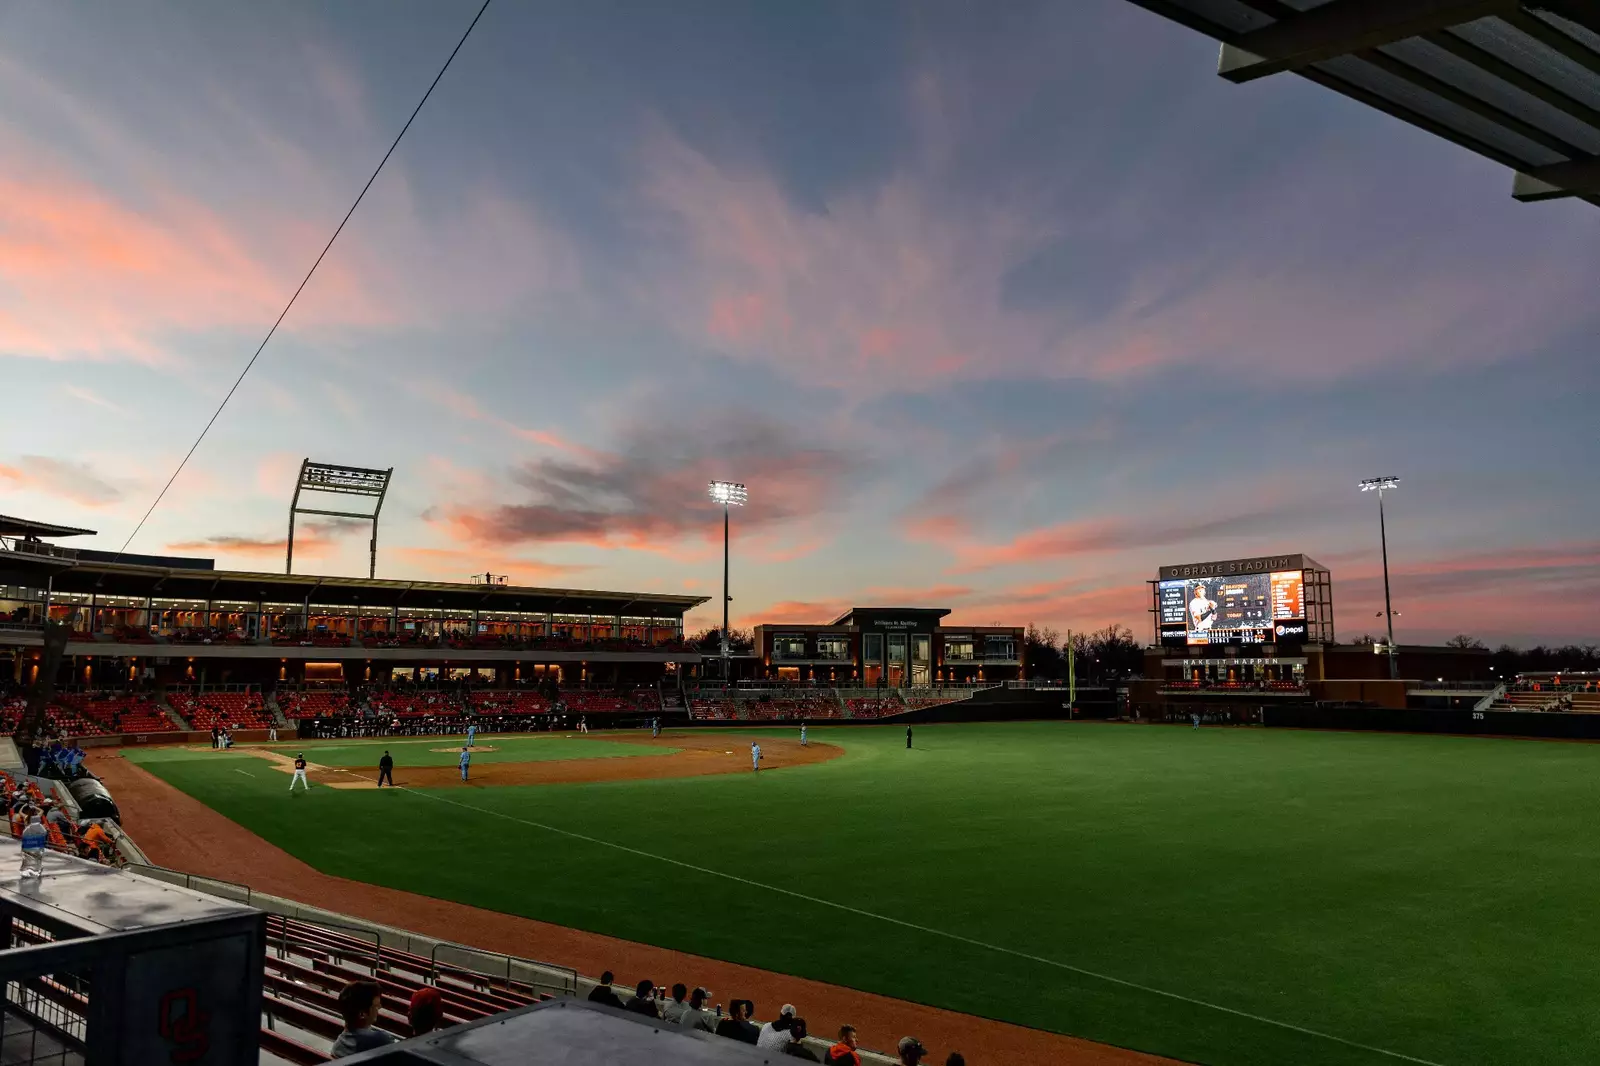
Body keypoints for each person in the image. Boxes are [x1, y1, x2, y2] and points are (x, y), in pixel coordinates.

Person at [330, 979, 397, 1057]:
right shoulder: (382, 1041)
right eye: (376, 1006)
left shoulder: (337, 1046)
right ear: (362, 1014)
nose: (380, 1007)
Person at [18, 810, 48, 879]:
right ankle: (35, 871)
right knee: (36, 859)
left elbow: (23, 835)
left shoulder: (27, 826)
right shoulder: (40, 827)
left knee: (27, 860)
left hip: (27, 845)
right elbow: (44, 833)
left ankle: (25, 871)